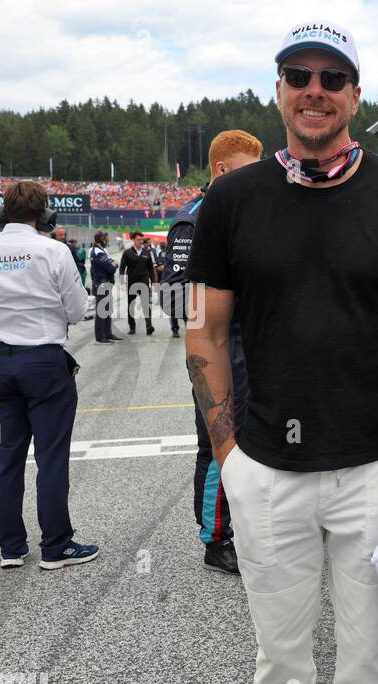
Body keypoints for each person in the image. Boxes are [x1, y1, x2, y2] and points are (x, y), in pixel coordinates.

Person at [186, 19, 378, 684]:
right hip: (266, 467)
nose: (315, 90)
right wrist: (228, 457)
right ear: (279, 88)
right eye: (300, 74)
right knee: (279, 646)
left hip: (372, 464)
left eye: (333, 77)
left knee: (367, 645)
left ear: (356, 94)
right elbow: (205, 332)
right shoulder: (233, 198)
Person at [0, 181, 99, 570]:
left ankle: (11, 548)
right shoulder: (53, 250)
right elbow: (76, 310)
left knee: (7, 455)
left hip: (0, 364)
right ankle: (56, 546)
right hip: (43, 362)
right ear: (43, 214)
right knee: (51, 456)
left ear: (2, 212)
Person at [162, 129, 263, 573]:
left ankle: (252, 526)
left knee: (257, 441)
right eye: (248, 171)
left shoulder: (249, 211)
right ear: (221, 169)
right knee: (217, 441)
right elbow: (176, 297)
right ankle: (215, 538)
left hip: (256, 343)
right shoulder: (194, 217)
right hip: (220, 346)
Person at [119, 231, 154, 334]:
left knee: (146, 305)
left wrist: (153, 283)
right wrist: (122, 282)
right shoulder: (127, 253)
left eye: (142, 240)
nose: (140, 242)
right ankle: (132, 327)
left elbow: (151, 269)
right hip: (132, 283)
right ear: (133, 239)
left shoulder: (146, 252)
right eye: (138, 240)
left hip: (144, 282)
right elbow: (122, 268)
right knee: (131, 306)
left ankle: (149, 327)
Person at [89, 231, 121, 344]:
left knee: (107, 310)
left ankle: (108, 333)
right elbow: (111, 267)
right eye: (106, 239)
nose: (107, 241)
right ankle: (100, 337)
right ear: (102, 240)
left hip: (105, 283)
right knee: (101, 311)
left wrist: (113, 263)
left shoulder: (102, 250)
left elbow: (111, 262)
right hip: (101, 284)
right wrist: (114, 264)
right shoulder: (98, 252)